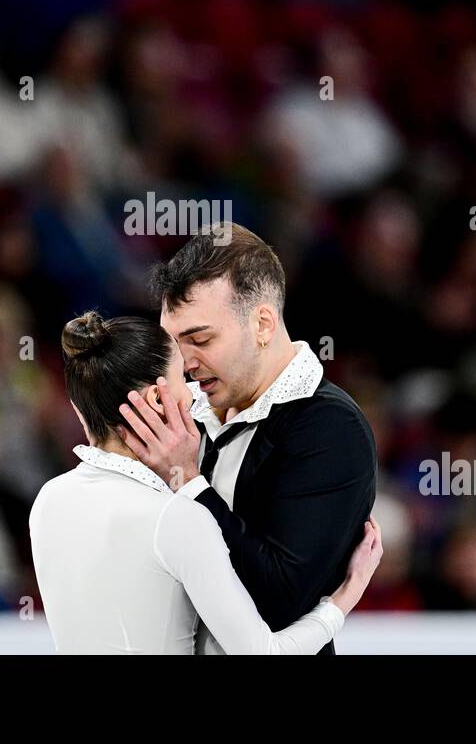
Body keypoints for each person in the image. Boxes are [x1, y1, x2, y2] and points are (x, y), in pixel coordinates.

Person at [30, 311, 382, 654]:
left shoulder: (47, 500)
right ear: (158, 399)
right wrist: (343, 599)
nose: (197, 397)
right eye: (185, 383)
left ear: (79, 409)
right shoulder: (179, 517)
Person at [118, 223, 379, 654]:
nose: (184, 364)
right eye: (174, 344)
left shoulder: (330, 429)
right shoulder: (188, 416)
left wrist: (187, 480)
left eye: (200, 339)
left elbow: (277, 601)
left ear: (262, 323)